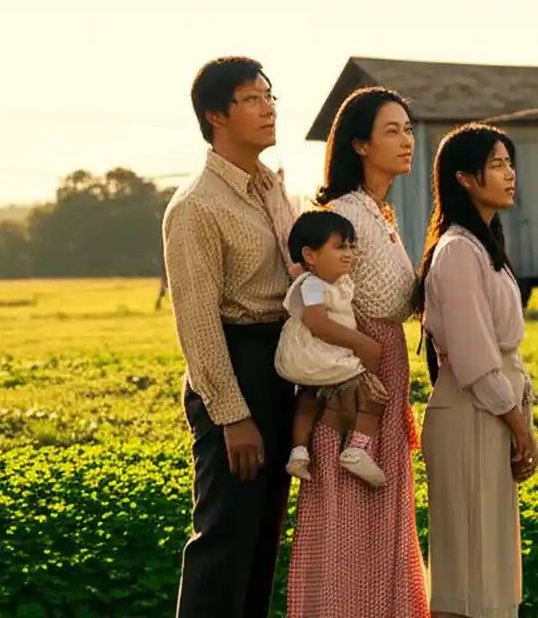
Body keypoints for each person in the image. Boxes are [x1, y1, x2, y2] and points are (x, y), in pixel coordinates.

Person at [161, 56, 298, 618]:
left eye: (270, 96)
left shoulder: (273, 190)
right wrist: (233, 415)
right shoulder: (197, 206)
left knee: (264, 539)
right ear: (216, 115)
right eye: (251, 99)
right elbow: (196, 321)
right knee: (224, 538)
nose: (267, 108)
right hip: (235, 372)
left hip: (279, 368)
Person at [286, 86, 430, 618]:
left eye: (408, 130)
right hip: (353, 369)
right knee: (348, 507)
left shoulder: (379, 213)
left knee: (379, 505)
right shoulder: (344, 215)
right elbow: (319, 302)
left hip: (386, 361)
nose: (406, 141)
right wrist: (359, 355)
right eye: (391, 131)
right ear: (360, 145)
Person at [415, 122, 538, 618]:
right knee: (468, 573)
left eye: (510, 163)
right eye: (496, 164)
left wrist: (517, 420)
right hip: (472, 413)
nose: (509, 174)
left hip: (488, 412)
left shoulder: (483, 245)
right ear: (465, 178)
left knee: (488, 568)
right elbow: (475, 356)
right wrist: (518, 426)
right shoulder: (459, 250)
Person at [276, 209, 389, 487]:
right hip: (318, 351)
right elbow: (317, 322)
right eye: (339, 247)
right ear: (310, 255)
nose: (348, 253)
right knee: (372, 396)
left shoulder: (330, 282)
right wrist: (360, 344)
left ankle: (299, 451)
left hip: (309, 356)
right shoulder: (313, 284)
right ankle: (356, 449)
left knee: (308, 398)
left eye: (351, 246)